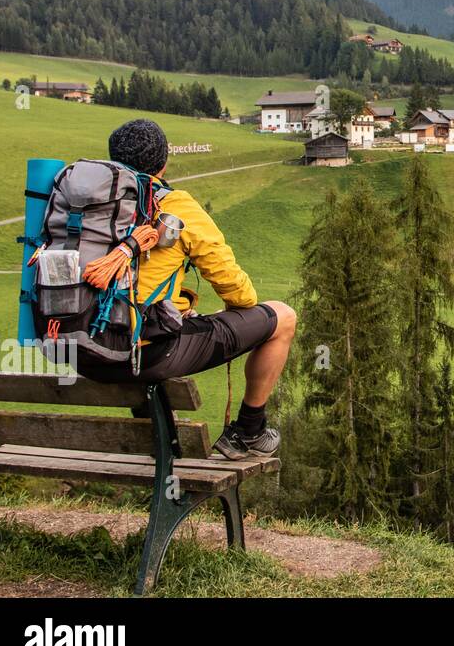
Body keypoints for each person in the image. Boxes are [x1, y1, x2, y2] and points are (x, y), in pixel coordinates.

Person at [80, 119, 295, 460]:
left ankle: (156, 434)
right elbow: (239, 293)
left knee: (155, 323)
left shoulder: (84, 209)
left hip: (81, 350)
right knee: (283, 317)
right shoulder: (175, 205)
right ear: (163, 162)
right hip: (139, 354)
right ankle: (249, 432)